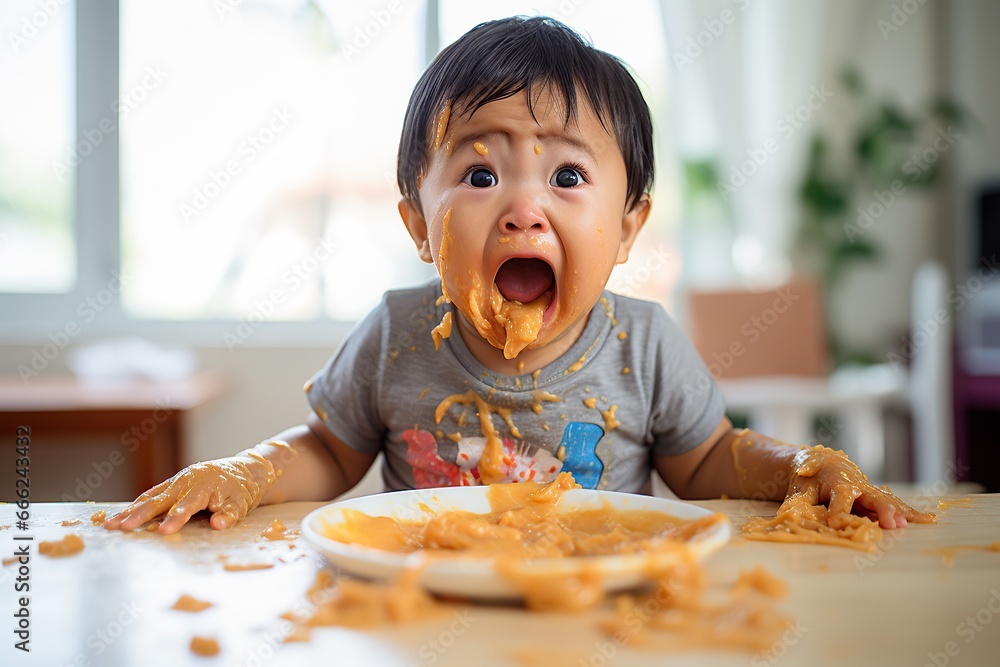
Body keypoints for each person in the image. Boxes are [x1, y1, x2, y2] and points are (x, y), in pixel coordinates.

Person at [106, 16, 933, 536]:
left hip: (599, 605)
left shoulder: (641, 343)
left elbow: (710, 461)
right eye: (478, 175)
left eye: (568, 178)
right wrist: (247, 473)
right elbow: (328, 448)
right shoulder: (396, 333)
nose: (524, 210)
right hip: (426, 602)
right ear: (418, 228)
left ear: (626, 229)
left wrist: (795, 466)